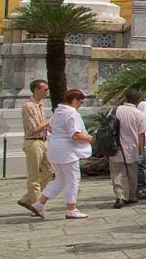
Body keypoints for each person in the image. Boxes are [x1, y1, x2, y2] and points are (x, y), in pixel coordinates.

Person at [30, 89, 92, 218]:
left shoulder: (58, 111)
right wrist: (90, 138)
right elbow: (75, 134)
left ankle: (39, 204)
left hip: (55, 149)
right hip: (67, 151)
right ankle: (71, 208)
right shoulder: (72, 113)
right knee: (73, 179)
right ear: (74, 100)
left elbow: (50, 127)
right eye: (80, 102)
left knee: (60, 179)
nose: (80, 104)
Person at [17, 79, 53, 210]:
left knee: (50, 170)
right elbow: (34, 128)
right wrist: (49, 121)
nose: (47, 92)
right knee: (34, 175)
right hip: (33, 141)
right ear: (37, 90)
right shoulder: (29, 106)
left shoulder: (41, 105)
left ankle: (27, 198)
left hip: (43, 140)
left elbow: (43, 126)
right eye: (45, 89)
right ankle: (37, 205)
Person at [110, 88, 146, 207]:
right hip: (133, 147)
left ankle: (120, 196)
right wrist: (142, 151)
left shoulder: (115, 110)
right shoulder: (139, 114)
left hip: (116, 146)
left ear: (125, 98)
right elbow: (141, 134)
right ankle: (131, 196)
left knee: (117, 173)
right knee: (132, 173)